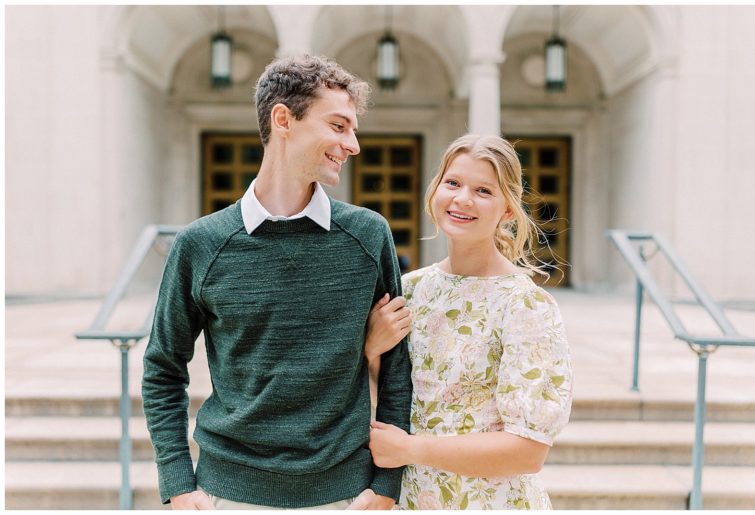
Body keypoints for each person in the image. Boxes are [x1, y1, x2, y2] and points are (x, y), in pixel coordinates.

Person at [142, 54, 412, 510]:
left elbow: (397, 369)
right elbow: (163, 369)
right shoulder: (201, 244)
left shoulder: (368, 236)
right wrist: (178, 485)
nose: (352, 145)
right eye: (338, 126)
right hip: (228, 495)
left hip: (347, 496)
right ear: (283, 119)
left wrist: (387, 486)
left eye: (353, 130)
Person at [366, 134, 573, 510]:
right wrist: (372, 351)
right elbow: (392, 397)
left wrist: (411, 449)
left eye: (483, 191)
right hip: (411, 501)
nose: (463, 199)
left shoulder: (525, 305)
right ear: (435, 190)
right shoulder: (409, 290)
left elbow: (528, 451)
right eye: (453, 183)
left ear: (507, 210)